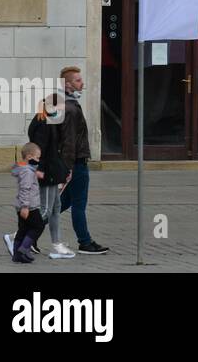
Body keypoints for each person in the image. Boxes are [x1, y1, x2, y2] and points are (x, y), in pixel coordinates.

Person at [58, 66, 109, 255]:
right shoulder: (70, 107)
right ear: (68, 84)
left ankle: (26, 234)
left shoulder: (68, 103)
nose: (82, 83)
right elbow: (69, 141)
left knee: (61, 204)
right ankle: (85, 242)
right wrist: (69, 168)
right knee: (78, 204)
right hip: (77, 164)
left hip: (75, 163)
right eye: (78, 80)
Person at [28, 97, 75, 259]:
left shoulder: (50, 122)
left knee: (56, 206)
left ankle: (56, 244)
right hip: (46, 172)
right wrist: (38, 169)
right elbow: (38, 150)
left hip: (53, 171)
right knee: (46, 210)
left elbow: (55, 152)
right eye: (60, 108)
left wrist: (63, 170)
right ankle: (19, 238)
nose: (61, 112)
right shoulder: (42, 124)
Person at [10, 143, 45, 264]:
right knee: (38, 226)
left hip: (22, 206)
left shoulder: (25, 169)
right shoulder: (28, 172)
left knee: (23, 229)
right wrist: (25, 206)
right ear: (29, 157)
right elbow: (25, 188)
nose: (38, 160)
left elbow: (27, 173)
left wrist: (36, 173)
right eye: (37, 158)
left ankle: (16, 255)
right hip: (30, 207)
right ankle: (24, 248)